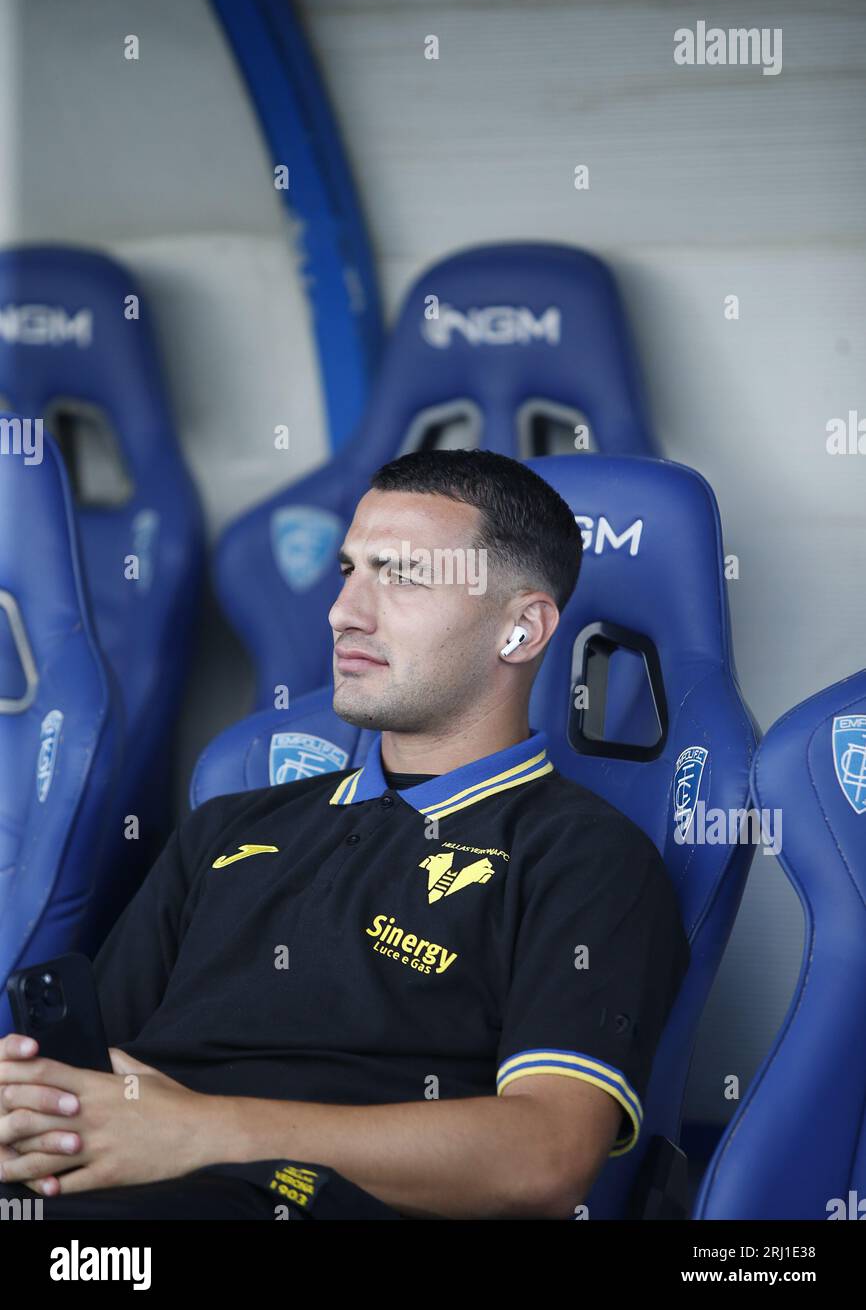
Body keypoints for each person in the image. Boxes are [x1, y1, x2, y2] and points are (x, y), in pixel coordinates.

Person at [0, 448, 690, 1220]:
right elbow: (103, 1074)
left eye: (402, 576)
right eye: (349, 570)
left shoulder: (586, 858)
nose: (344, 611)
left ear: (522, 631)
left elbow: (546, 1158)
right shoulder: (229, 825)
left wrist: (205, 1131)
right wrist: (34, 1107)